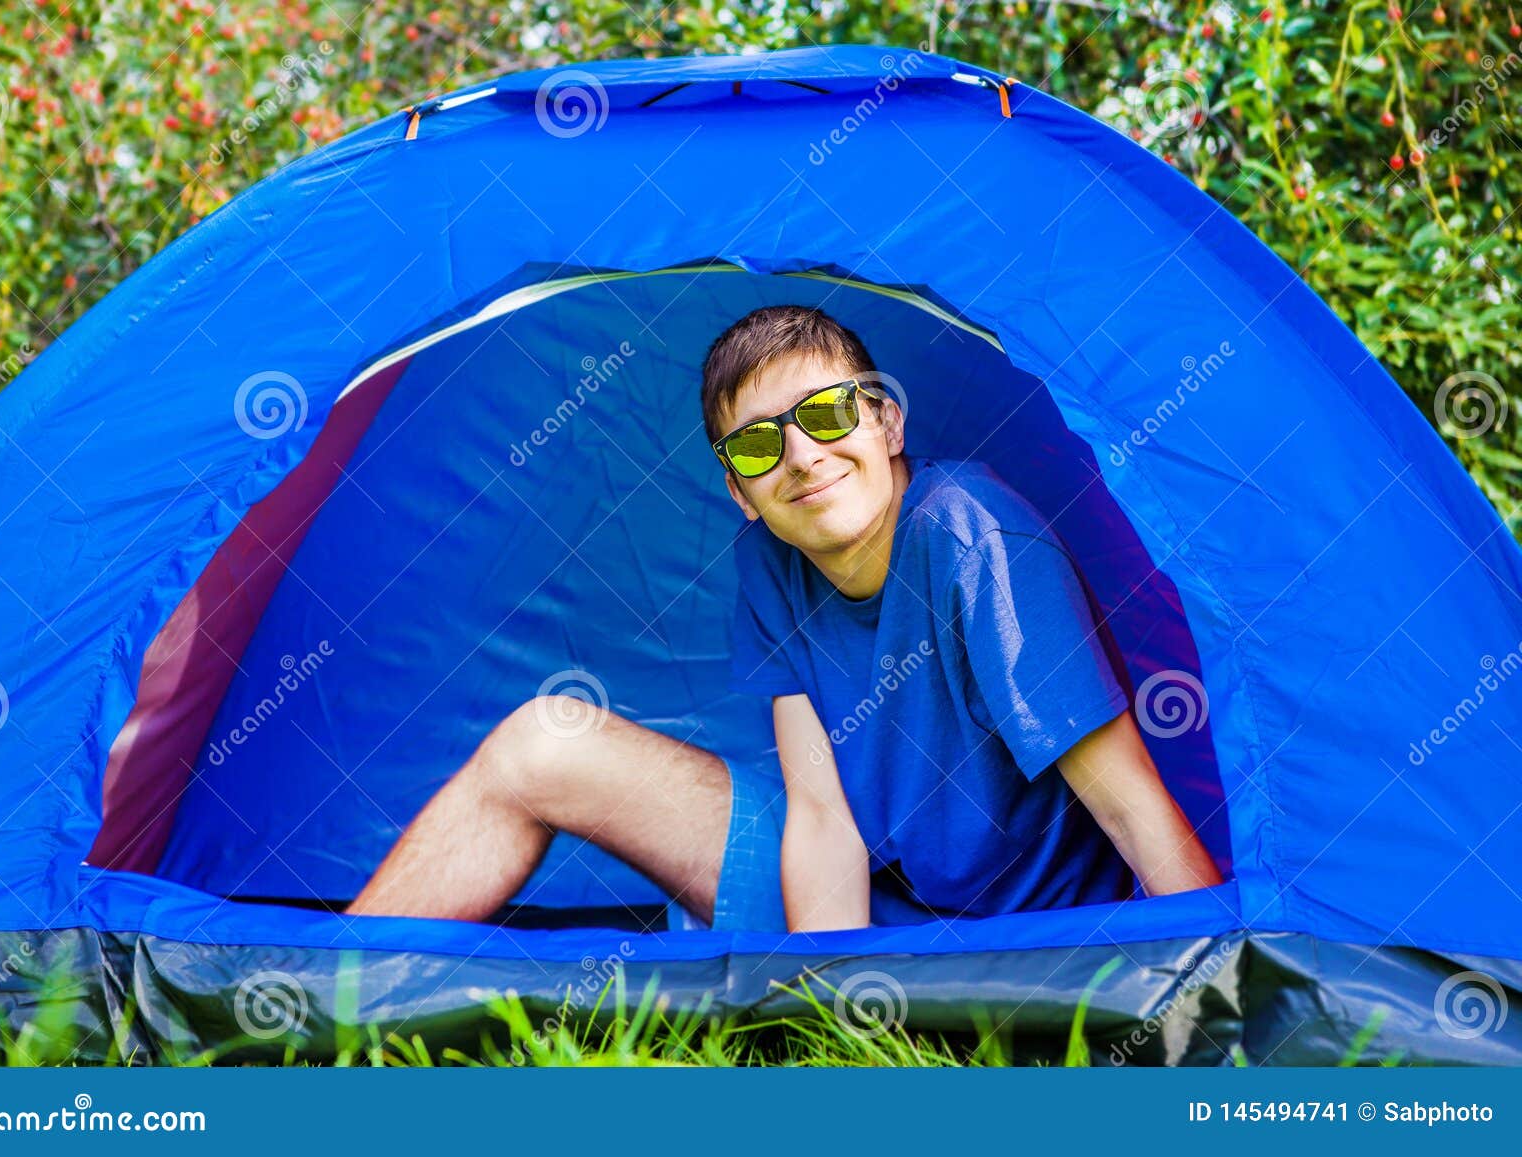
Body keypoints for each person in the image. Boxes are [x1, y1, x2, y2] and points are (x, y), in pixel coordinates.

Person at [347, 306, 1222, 930]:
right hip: (884, 912)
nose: (802, 457)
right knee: (544, 739)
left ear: (885, 421)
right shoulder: (771, 561)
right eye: (761, 443)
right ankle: (315, 1006)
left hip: (1031, 947)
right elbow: (822, 816)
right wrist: (841, 1015)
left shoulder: (972, 534)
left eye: (827, 414)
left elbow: (1131, 807)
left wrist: (1219, 1010)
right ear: (740, 492)